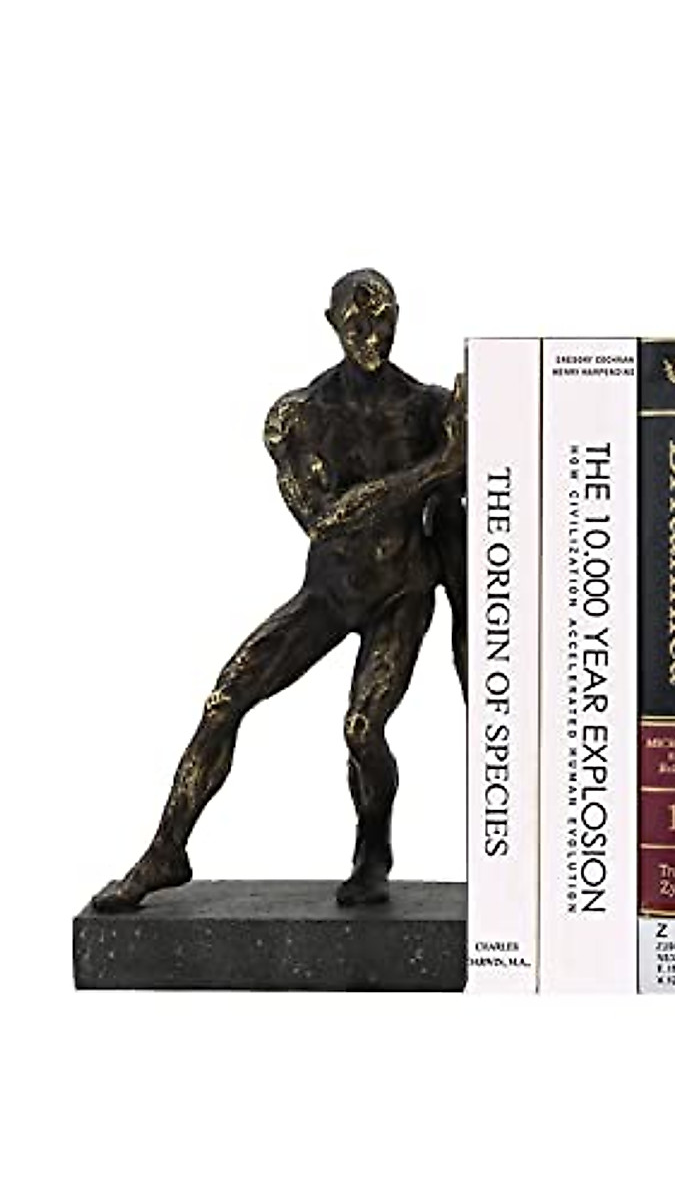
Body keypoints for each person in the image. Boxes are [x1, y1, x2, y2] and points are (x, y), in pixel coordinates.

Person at [93, 269, 465, 910]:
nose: (372, 334)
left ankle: (372, 852)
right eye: (356, 322)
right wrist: (437, 467)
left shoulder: (429, 409)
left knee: (362, 730)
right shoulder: (298, 418)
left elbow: (463, 517)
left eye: (383, 318)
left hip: (402, 594)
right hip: (330, 593)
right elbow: (326, 520)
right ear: (331, 323)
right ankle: (166, 851)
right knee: (225, 699)